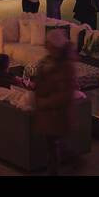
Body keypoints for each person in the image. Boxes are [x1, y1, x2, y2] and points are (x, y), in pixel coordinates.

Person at [32, 35, 77, 175]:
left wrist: (44, 103)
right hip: (49, 115)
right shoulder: (48, 63)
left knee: (54, 146)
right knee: (52, 146)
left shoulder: (65, 68)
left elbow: (65, 95)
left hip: (56, 114)